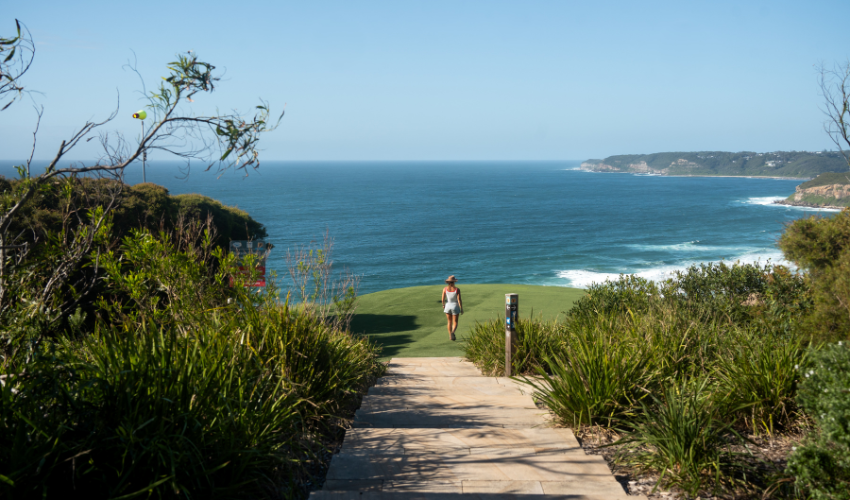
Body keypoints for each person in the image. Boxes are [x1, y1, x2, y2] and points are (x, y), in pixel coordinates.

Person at [441, 275, 463, 341]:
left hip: (447, 306)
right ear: (454, 282)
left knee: (449, 322)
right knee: (455, 322)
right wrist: (461, 308)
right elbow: (459, 299)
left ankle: (450, 335)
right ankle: (453, 332)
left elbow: (443, 298)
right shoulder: (457, 289)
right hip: (455, 306)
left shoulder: (445, 289)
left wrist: (443, 305)